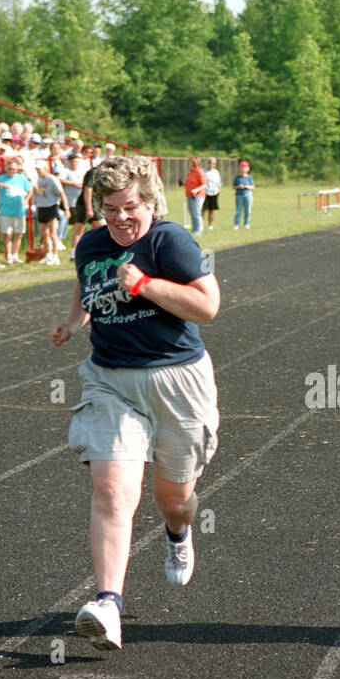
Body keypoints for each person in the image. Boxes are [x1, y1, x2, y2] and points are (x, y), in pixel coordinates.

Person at [49, 155, 221, 652]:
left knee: (174, 499)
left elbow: (208, 305)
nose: (120, 219)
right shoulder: (92, 243)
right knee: (111, 489)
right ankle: (108, 605)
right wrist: (72, 322)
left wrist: (145, 285)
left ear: (147, 202)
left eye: (128, 207)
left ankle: (177, 531)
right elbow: (87, 285)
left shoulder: (171, 241)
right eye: (109, 209)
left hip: (177, 380)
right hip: (110, 380)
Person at [0, 155, 32, 264]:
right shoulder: (1, 178)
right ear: (6, 169)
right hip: (5, 210)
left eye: (14, 169)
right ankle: (9, 256)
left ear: (17, 169)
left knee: (18, 234)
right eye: (10, 169)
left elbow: (30, 190)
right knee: (7, 234)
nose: (12, 171)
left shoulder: (21, 178)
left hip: (19, 210)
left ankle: (15, 255)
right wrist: (0, 184)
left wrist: (26, 200)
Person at [33, 158, 69, 265]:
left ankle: (55, 255)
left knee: (53, 233)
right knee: (44, 233)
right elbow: (40, 193)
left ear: (45, 169)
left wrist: (66, 209)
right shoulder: (38, 180)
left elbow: (61, 193)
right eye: (37, 169)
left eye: (40, 169)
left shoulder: (52, 179)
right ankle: (48, 254)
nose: (38, 171)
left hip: (51, 206)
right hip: (41, 207)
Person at [183, 156, 205, 236]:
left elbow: (204, 185)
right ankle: (194, 229)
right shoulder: (191, 172)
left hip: (197, 196)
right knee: (192, 212)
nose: (188, 163)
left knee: (196, 213)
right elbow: (189, 183)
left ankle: (199, 230)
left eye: (190, 162)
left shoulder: (200, 172)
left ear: (194, 163)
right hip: (189, 195)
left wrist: (196, 190)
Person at [232, 159, 253, 230]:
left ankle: (246, 224)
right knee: (238, 210)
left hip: (247, 194)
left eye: (245, 167)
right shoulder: (237, 177)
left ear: (247, 169)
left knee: (247, 210)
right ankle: (236, 224)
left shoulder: (249, 177)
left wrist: (247, 186)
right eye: (242, 167)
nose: (243, 169)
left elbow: (253, 186)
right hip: (239, 195)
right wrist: (239, 186)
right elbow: (233, 186)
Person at [202, 157, 221, 230]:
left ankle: (210, 225)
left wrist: (219, 189)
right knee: (203, 210)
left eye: (213, 163)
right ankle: (201, 225)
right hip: (205, 192)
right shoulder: (203, 171)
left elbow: (218, 182)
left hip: (213, 192)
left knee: (211, 210)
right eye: (210, 162)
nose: (211, 164)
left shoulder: (216, 172)